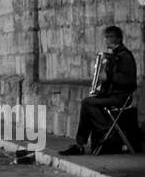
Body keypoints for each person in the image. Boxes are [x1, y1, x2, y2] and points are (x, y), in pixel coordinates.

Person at [59, 25, 137, 155]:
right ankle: (80, 144)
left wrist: (109, 76)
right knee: (87, 102)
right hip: (113, 95)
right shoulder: (114, 55)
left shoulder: (124, 56)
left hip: (120, 98)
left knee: (87, 103)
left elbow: (129, 81)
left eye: (109, 37)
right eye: (106, 38)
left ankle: (106, 131)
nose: (106, 41)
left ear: (117, 38)